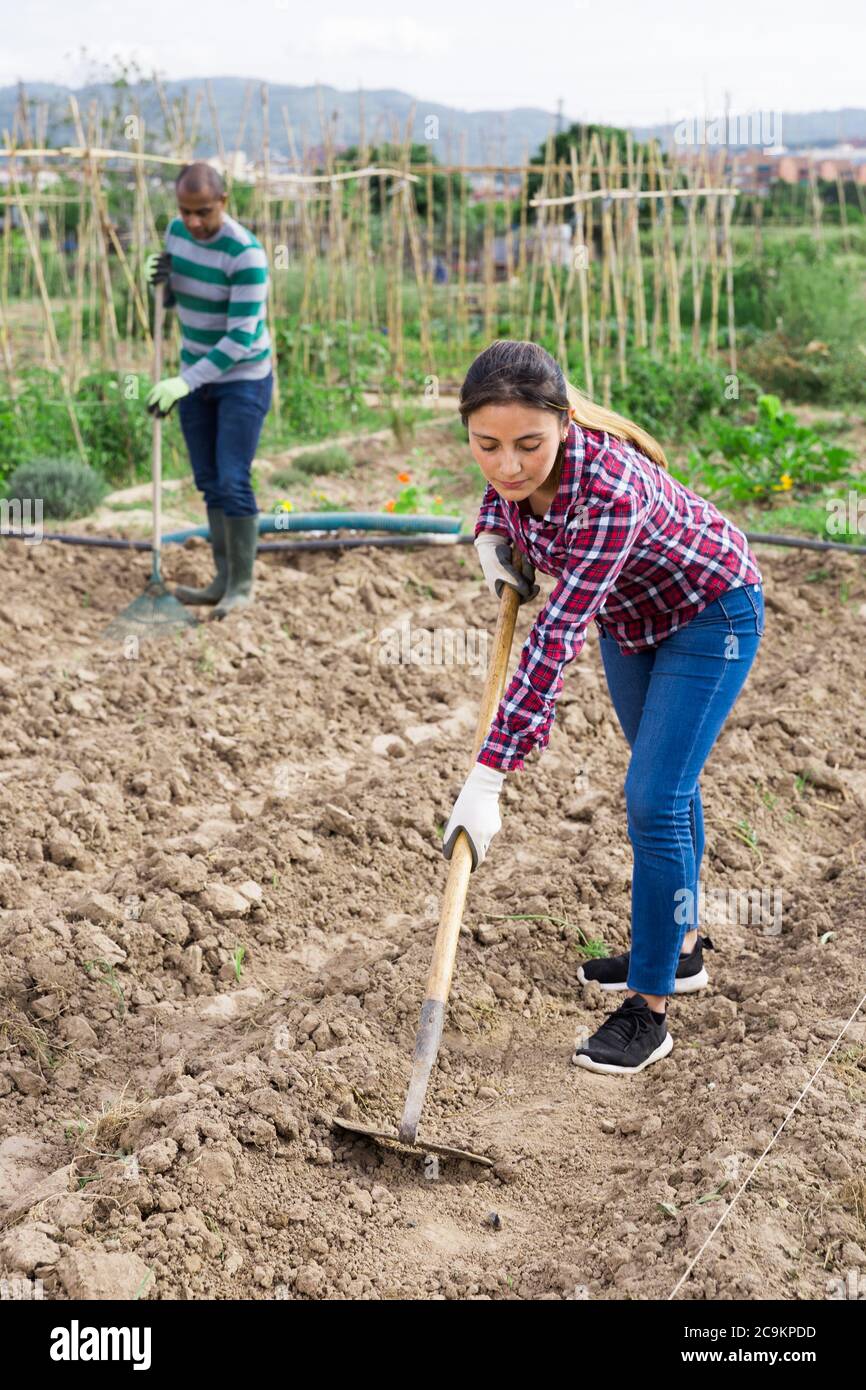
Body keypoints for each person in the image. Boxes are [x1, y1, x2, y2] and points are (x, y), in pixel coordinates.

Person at [442, 340, 765, 1076]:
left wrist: (489, 774)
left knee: (654, 799)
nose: (508, 465)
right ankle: (678, 950)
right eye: (485, 446)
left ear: (563, 424)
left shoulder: (610, 488)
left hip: (712, 613)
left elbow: (555, 638)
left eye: (529, 445)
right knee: (667, 791)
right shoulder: (514, 475)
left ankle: (650, 1012)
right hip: (634, 622)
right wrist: (492, 533)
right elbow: (502, 500)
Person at [144, 161, 272, 620]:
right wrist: (158, 284)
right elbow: (176, 297)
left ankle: (241, 584)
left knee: (233, 478)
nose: (194, 222)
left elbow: (239, 340)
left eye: (203, 212)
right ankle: (220, 579)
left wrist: (183, 382)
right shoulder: (177, 233)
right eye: (185, 211)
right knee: (208, 481)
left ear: (223, 202)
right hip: (196, 377)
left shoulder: (246, 255)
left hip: (242, 378)